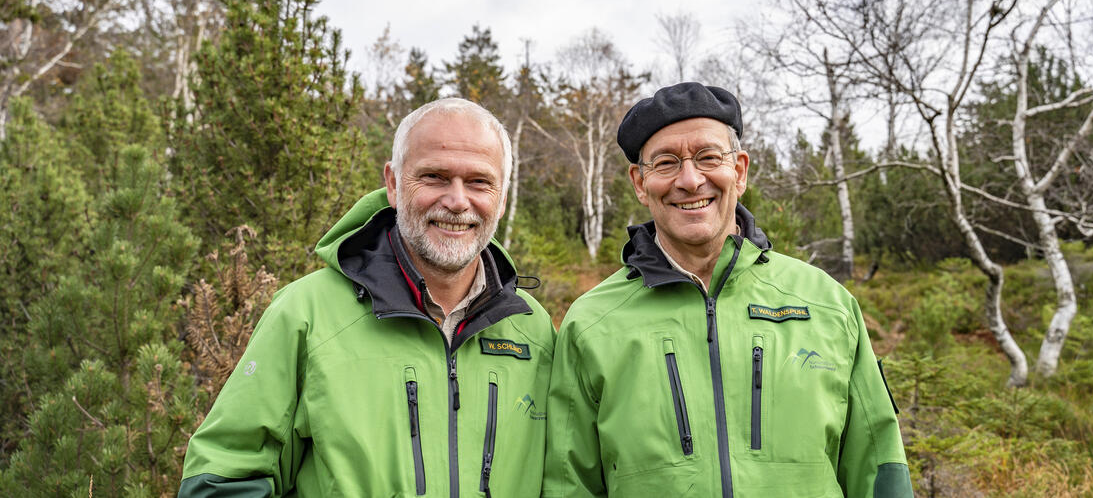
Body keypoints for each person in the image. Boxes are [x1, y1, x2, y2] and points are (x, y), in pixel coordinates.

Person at [542, 83, 912, 498]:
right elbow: (568, 483)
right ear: (639, 183)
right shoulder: (592, 322)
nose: (689, 179)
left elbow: (879, 463)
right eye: (665, 163)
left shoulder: (826, 304)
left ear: (739, 170)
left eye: (708, 157)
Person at [179, 98, 555, 497]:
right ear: (393, 184)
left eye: (479, 181)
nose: (457, 201)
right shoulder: (306, 315)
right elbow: (222, 479)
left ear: (502, 197)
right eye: (434, 177)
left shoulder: (533, 330)